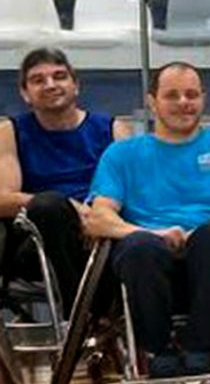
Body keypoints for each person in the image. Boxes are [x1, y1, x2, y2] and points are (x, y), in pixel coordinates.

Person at [87, 63, 210, 378]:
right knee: (139, 246)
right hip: (146, 258)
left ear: (203, 99)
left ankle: (201, 348)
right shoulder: (121, 154)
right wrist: (151, 233)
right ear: (152, 101)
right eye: (172, 95)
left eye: (192, 94)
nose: (184, 102)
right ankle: (158, 351)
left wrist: (196, 233)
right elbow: (99, 218)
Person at [0, 48, 131, 302]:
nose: (50, 85)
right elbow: (3, 199)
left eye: (59, 76)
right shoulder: (10, 132)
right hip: (37, 242)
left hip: (103, 232)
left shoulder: (114, 129)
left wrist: (98, 218)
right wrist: (68, 207)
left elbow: (134, 191)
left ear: (76, 85)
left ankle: (96, 321)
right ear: (25, 94)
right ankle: (84, 320)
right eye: (38, 80)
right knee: (49, 206)